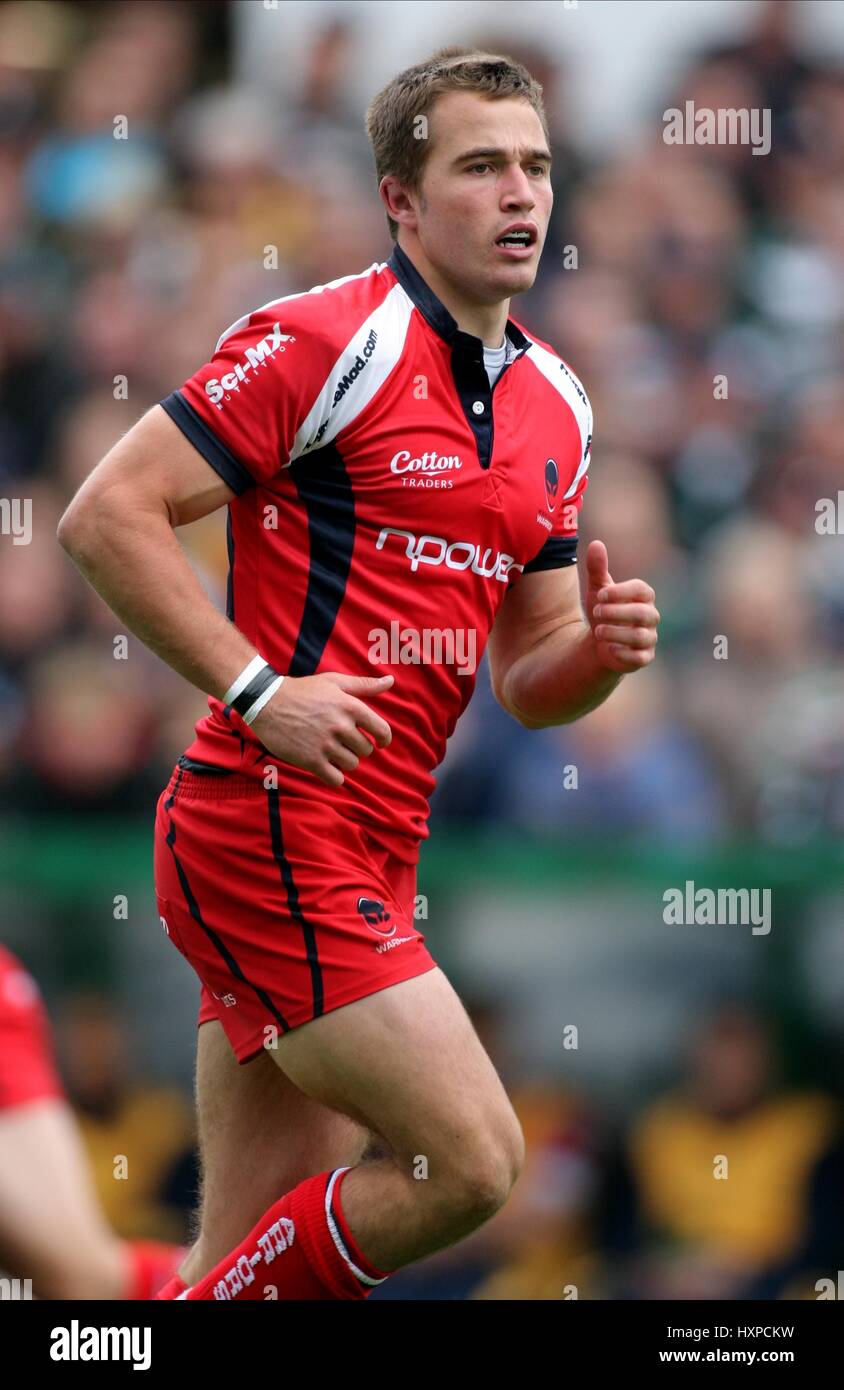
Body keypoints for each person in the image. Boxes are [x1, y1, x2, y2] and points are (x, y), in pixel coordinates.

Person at [56, 47, 659, 1301]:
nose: (520, 196)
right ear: (399, 197)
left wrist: (594, 658)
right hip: (267, 823)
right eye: (481, 166)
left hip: (376, 843)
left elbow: (529, 672)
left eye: (536, 167)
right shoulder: (320, 340)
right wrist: (260, 692)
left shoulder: (558, 402)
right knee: (476, 1164)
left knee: (258, 1251)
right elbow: (107, 514)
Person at [0, 943, 184, 1299]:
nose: (92, 1050)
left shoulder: (162, 1118)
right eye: (80, 1033)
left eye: (101, 1031)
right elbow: (78, 1272)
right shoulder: (62, 1123)